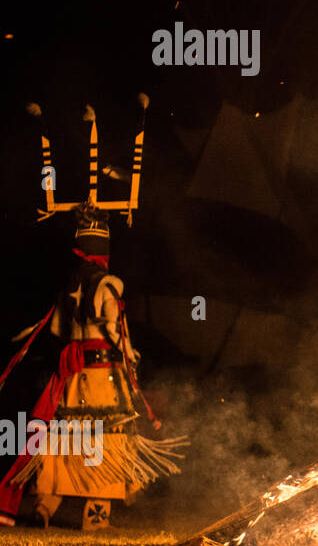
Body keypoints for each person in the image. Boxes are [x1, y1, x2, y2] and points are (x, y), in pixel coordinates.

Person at [0, 204, 182, 529]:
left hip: (72, 374)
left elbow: (56, 330)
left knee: (64, 436)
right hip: (102, 376)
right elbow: (115, 328)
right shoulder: (109, 283)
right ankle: (95, 516)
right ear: (103, 246)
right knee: (105, 437)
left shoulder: (71, 285)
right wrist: (130, 353)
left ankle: (46, 504)